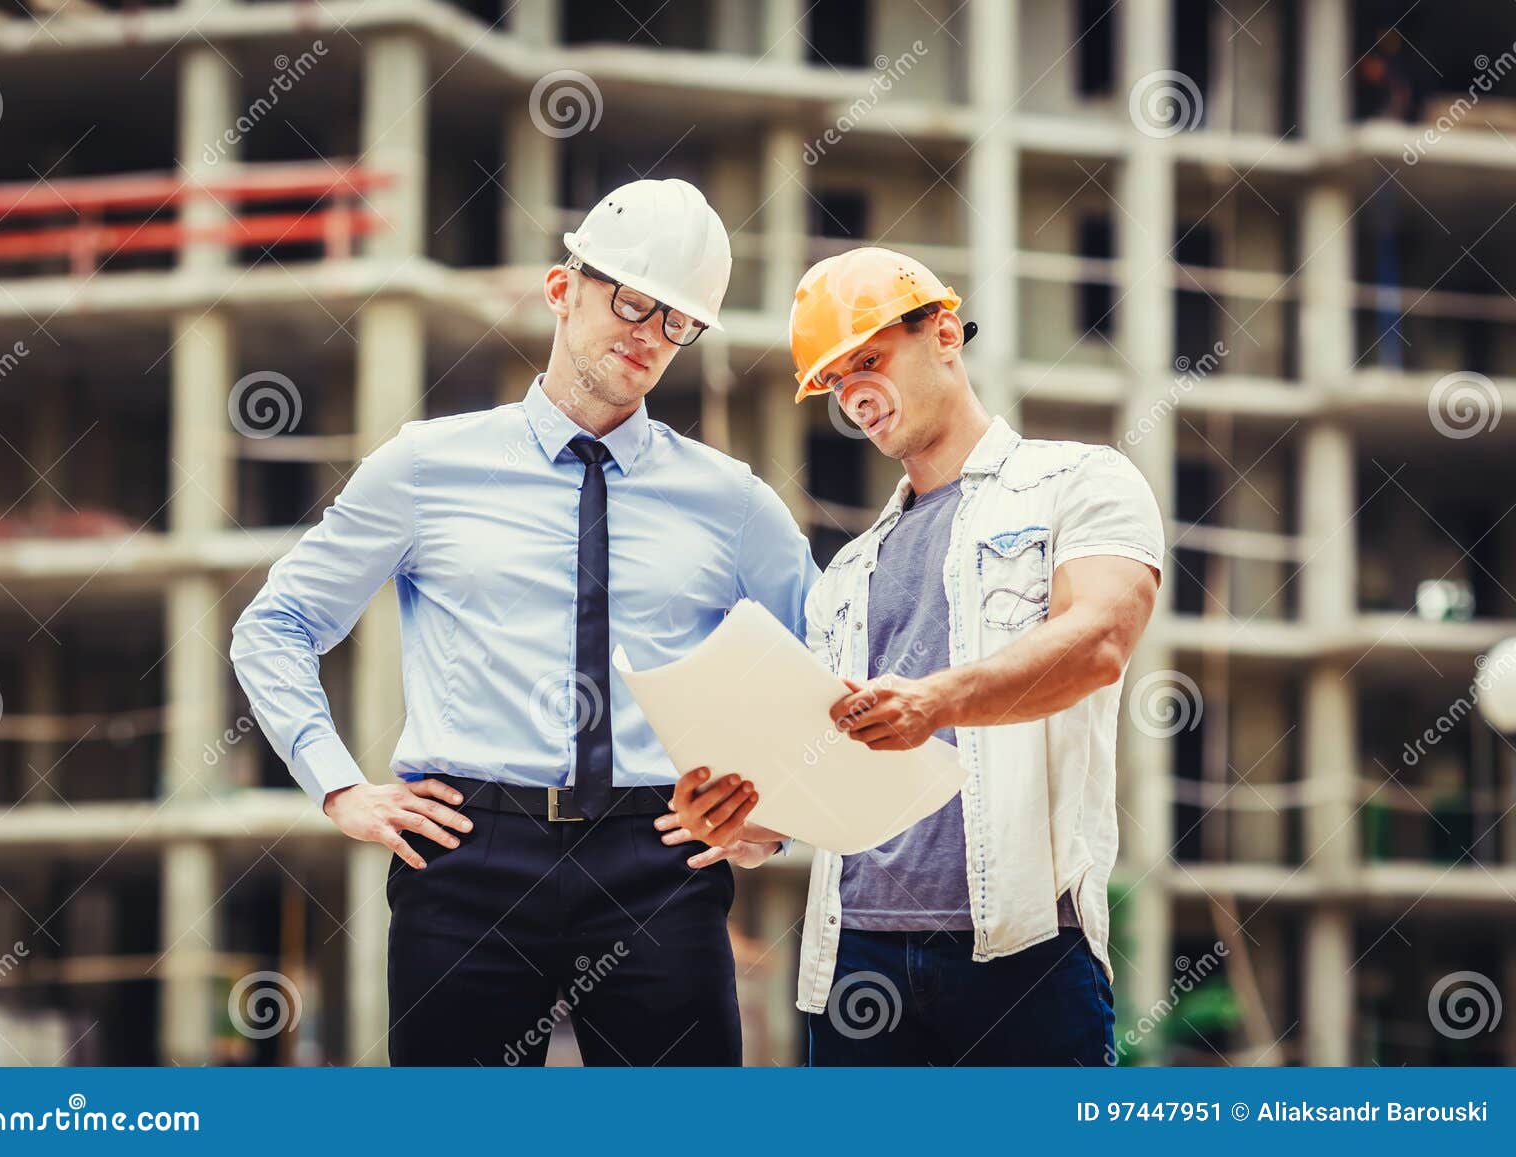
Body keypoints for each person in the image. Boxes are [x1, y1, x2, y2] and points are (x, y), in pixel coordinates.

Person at [231, 178, 817, 1066]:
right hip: (467, 853)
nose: (649, 336)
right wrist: (338, 784)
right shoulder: (428, 466)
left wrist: (773, 816)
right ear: (561, 289)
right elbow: (274, 626)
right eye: (631, 301)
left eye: (676, 322)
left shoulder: (731, 500)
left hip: (657, 856)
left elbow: (825, 663)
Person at [660, 247, 1164, 1065]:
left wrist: (936, 702)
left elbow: (1100, 640)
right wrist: (742, 822)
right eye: (835, 381)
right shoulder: (847, 575)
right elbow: (809, 781)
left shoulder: (1077, 483)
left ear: (942, 335)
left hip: (1026, 953)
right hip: (856, 958)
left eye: (868, 360)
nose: (855, 394)